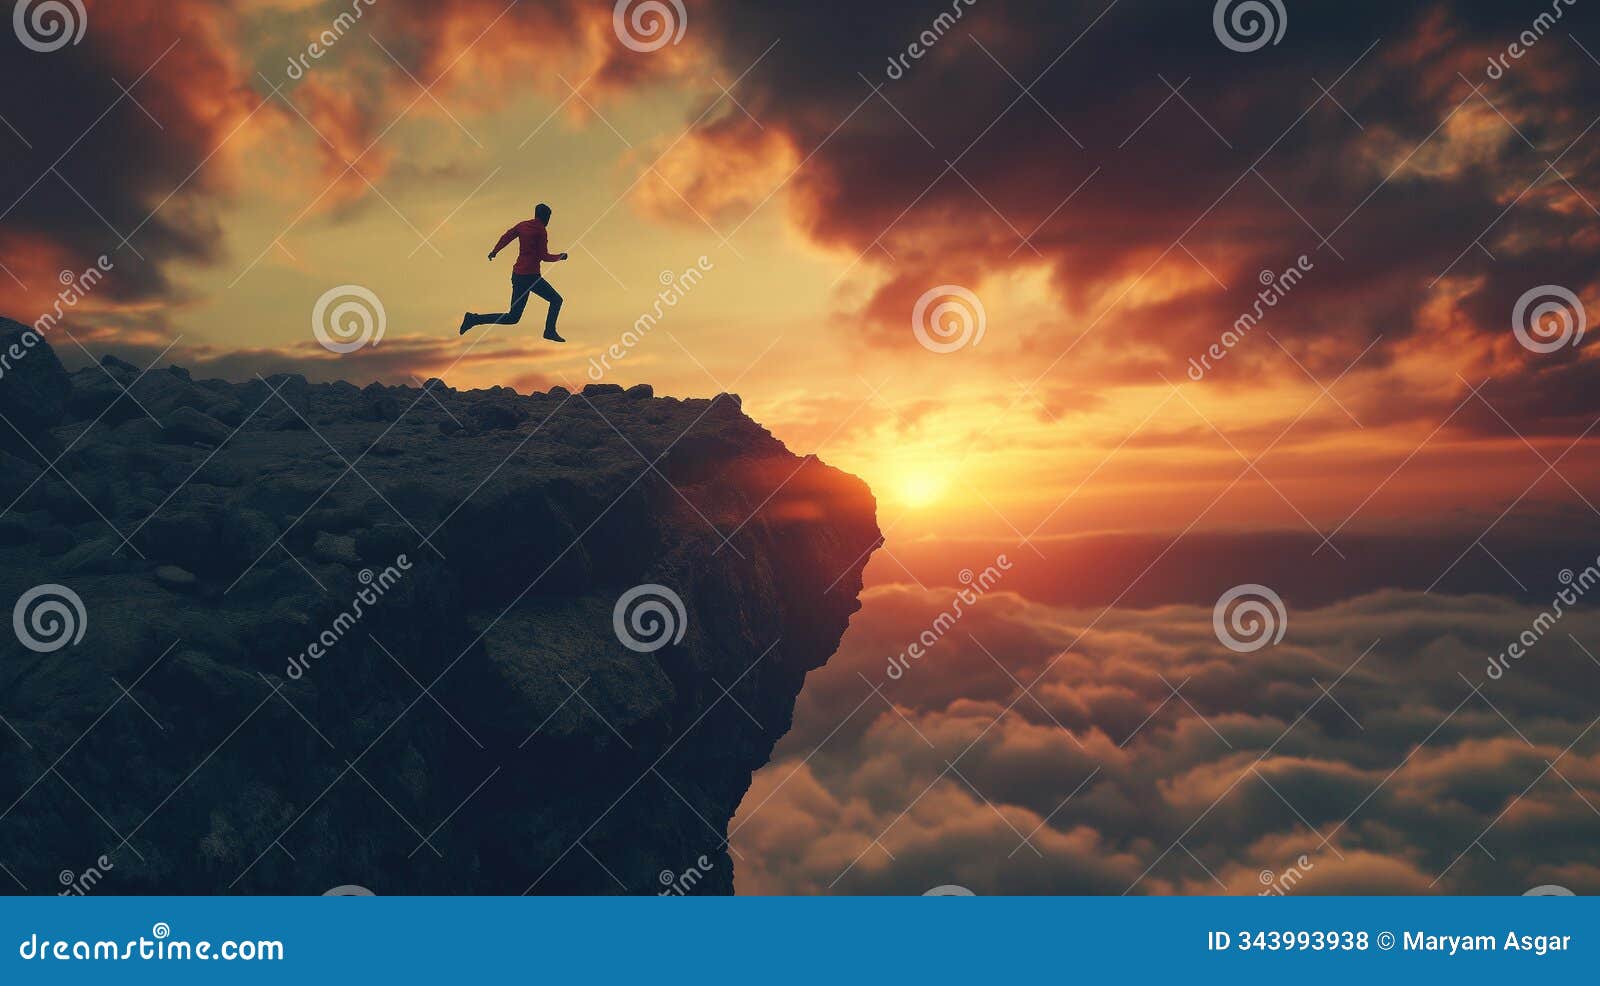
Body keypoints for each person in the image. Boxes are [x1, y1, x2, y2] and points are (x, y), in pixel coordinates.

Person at [460, 203, 570, 342]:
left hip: (518, 276)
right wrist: (560, 256)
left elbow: (506, 237)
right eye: (549, 217)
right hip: (531, 278)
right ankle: (549, 331)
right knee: (556, 300)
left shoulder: (522, 225)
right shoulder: (541, 231)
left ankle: (474, 319)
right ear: (546, 217)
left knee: (513, 317)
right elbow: (544, 256)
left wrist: (495, 251)